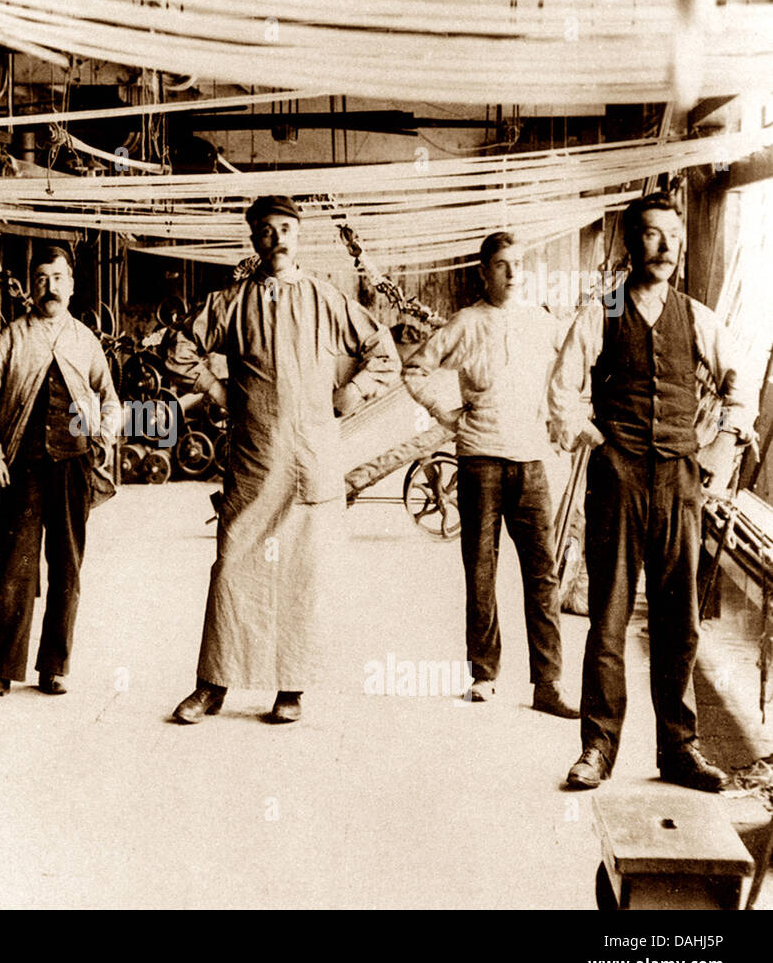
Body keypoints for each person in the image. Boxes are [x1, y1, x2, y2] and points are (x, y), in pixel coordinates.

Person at [549, 193, 756, 791]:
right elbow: (561, 392)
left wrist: (722, 444)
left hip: (680, 482)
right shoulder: (601, 311)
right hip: (618, 482)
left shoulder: (697, 318)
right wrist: (594, 437)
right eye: (649, 235)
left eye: (671, 235)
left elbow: (740, 387)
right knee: (608, 619)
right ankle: (597, 747)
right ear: (628, 243)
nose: (662, 248)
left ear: (681, 243)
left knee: (680, 622)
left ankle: (680, 750)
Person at [167, 195, 400, 724]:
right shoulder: (231, 302)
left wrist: (355, 391)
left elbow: (383, 353)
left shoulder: (326, 296)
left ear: (300, 236)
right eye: (266, 231)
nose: (277, 239)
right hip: (253, 461)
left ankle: (290, 688)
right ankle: (213, 684)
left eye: (286, 229)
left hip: (311, 461)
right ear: (253, 240)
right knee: (231, 568)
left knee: (301, 573)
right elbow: (178, 347)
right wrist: (213, 387)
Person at [402, 232, 579, 718]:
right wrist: (448, 413)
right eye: (501, 265)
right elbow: (415, 369)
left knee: (542, 574)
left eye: (518, 264)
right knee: (481, 571)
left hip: (531, 462)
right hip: (480, 459)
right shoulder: (466, 323)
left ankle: (549, 683)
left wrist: (561, 417)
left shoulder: (543, 323)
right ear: (484, 272)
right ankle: (483, 674)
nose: (512, 272)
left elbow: (572, 368)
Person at [0, 245, 121, 704]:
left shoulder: (85, 340)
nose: (50, 287)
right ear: (31, 285)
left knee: (68, 567)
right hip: (22, 470)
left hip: (73, 466)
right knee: (15, 571)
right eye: (41, 278)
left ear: (71, 286)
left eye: (58, 278)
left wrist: (105, 435)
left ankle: (54, 666)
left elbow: (109, 397)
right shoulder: (10, 338)